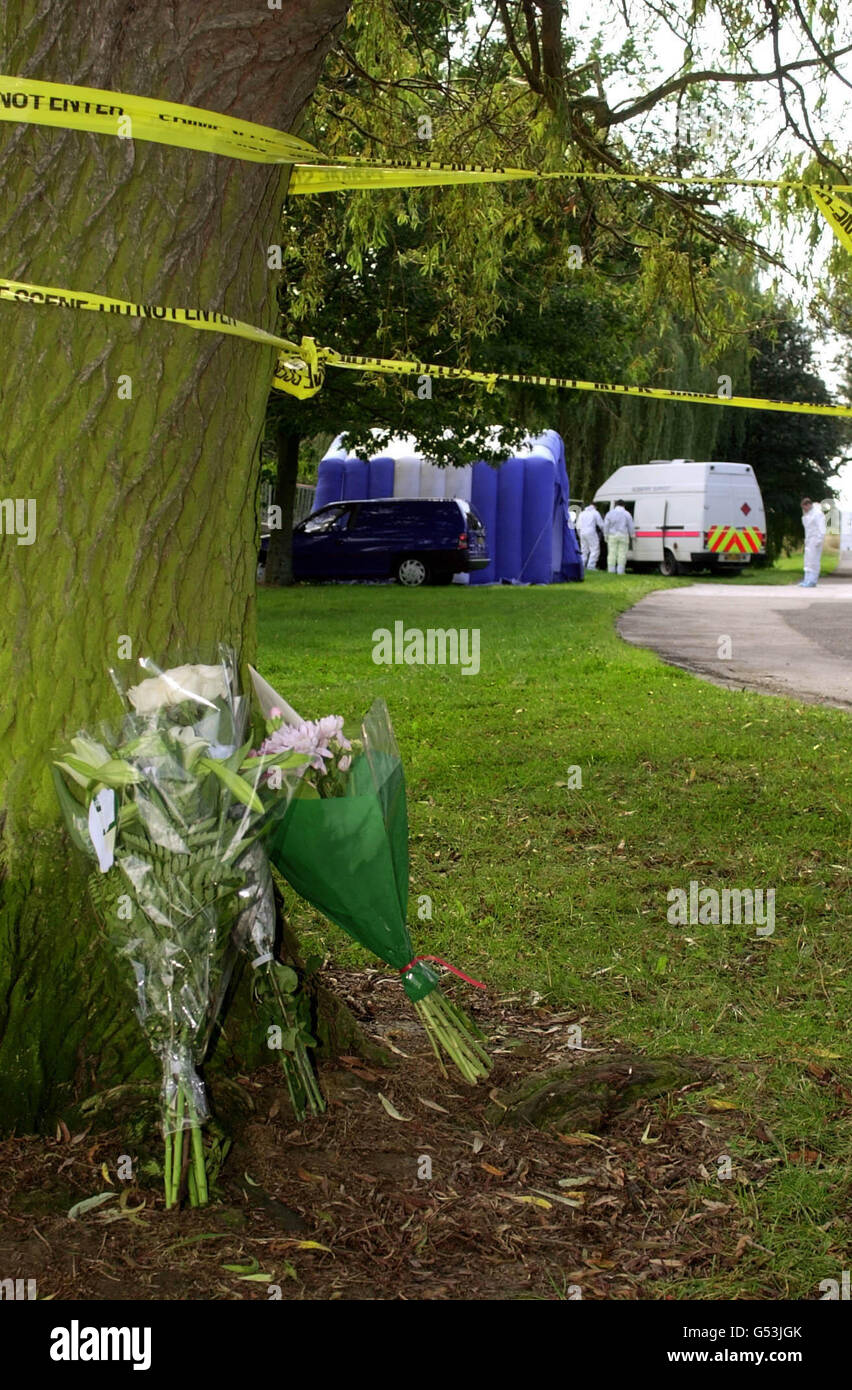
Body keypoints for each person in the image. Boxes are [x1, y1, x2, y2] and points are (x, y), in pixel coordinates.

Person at [799, 498, 826, 588]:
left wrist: (819, 539)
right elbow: (806, 525)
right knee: (808, 561)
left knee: (814, 561)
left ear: (808, 505)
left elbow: (821, 527)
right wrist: (804, 514)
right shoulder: (809, 514)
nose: (804, 510)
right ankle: (807, 579)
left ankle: (813, 580)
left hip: (815, 540)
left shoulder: (818, 514)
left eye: (805, 507)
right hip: (809, 540)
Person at [603, 499, 635, 574]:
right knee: (622, 553)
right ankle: (620, 571)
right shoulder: (627, 514)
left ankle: (611, 570)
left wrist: (605, 535)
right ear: (624, 505)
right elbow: (631, 525)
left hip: (612, 535)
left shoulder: (610, 513)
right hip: (623, 535)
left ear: (616, 505)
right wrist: (632, 535)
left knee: (612, 553)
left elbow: (606, 525)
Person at [577, 503, 604, 571]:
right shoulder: (595, 513)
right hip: (591, 532)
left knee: (584, 550)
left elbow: (578, 525)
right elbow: (601, 524)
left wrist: (579, 534)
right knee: (594, 549)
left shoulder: (582, 513)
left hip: (582, 532)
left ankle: (582, 565)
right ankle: (591, 566)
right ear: (595, 506)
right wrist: (604, 532)